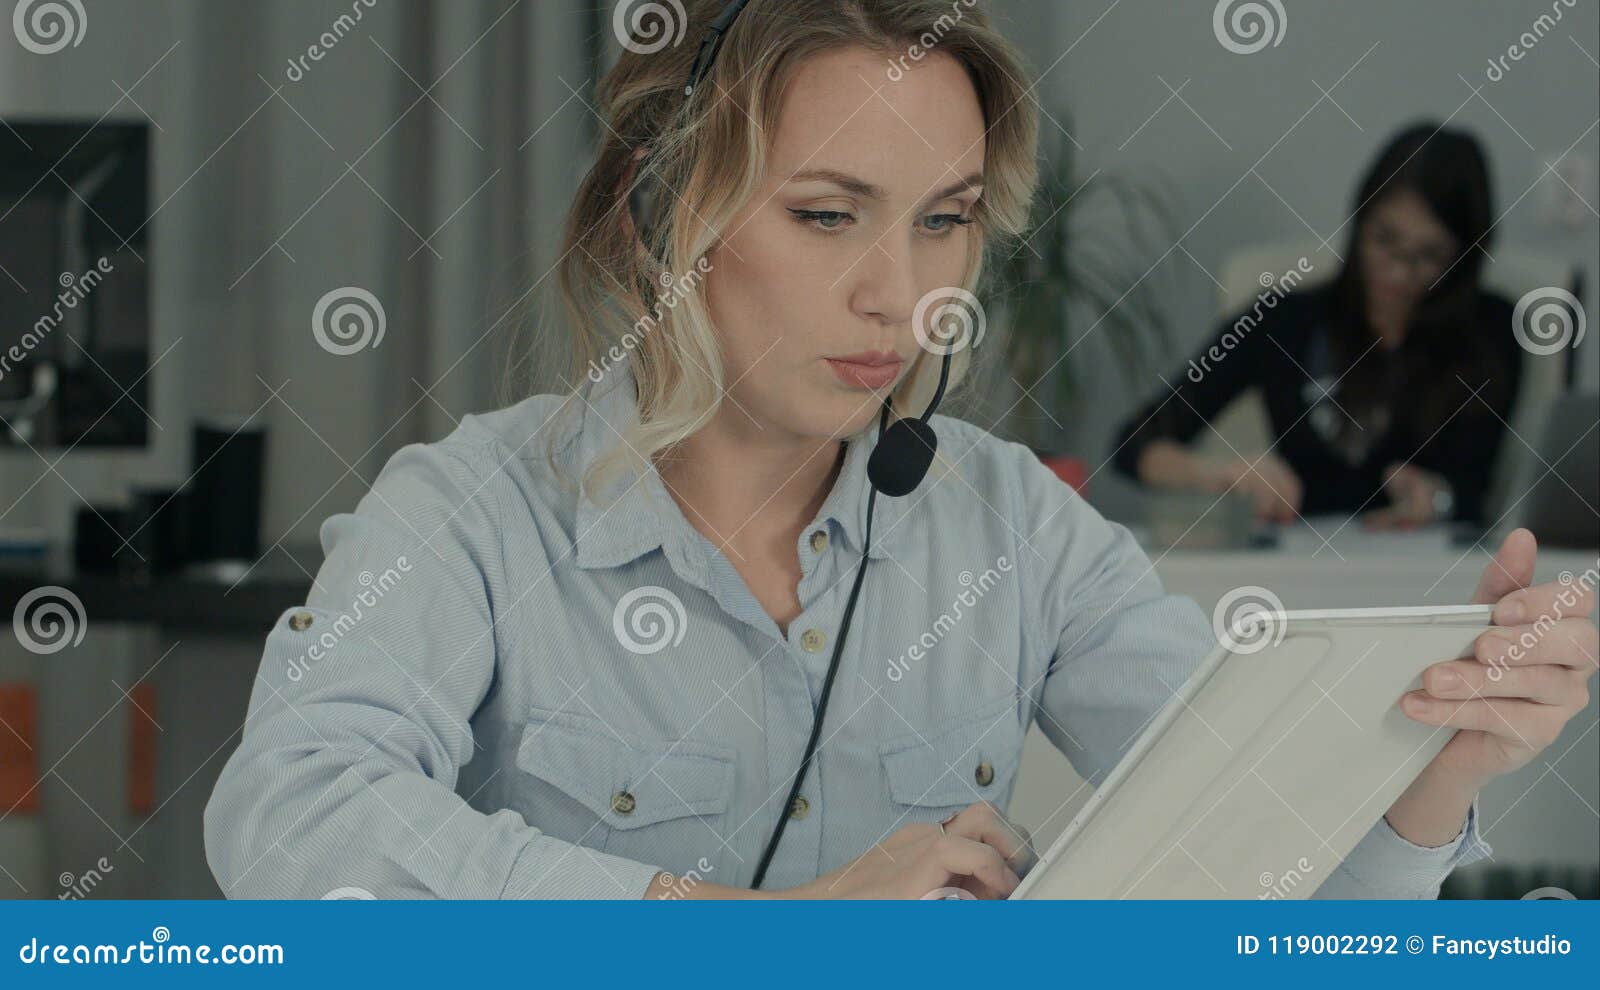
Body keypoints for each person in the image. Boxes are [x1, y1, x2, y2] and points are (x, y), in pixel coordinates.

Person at [204, 1, 1594, 900]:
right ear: (657, 216)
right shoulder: (471, 512)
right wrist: (747, 931)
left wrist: (1441, 768)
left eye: (944, 219)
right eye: (827, 215)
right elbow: (289, 819)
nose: (907, 293)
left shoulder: (1015, 529)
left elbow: (1276, 864)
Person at [1112, 123, 1523, 528]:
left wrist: (1438, 499)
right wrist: (1216, 474)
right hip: (1299, 555)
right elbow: (1136, 440)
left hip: (1430, 560)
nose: (1399, 272)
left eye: (1428, 255)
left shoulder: (1493, 330)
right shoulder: (1283, 320)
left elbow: (1478, 490)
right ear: (1360, 221)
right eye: (1385, 240)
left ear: (1463, 257)